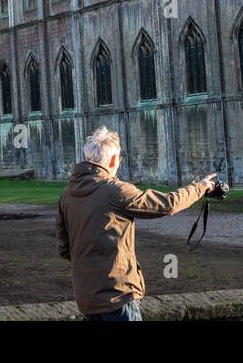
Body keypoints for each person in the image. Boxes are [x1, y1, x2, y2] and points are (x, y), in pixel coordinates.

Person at [56, 126, 216, 321]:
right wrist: (199, 188)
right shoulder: (114, 190)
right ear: (114, 159)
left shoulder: (67, 195)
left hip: (87, 298)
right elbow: (166, 204)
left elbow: (65, 249)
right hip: (118, 295)